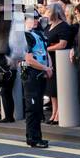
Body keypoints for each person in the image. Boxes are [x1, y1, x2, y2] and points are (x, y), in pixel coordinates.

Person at [21, 10, 51, 148]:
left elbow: (45, 53)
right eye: (32, 18)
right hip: (31, 75)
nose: (35, 21)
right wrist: (46, 69)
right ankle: (33, 138)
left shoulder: (38, 34)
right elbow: (29, 59)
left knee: (38, 107)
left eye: (36, 18)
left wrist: (49, 67)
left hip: (40, 74)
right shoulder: (25, 36)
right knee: (32, 108)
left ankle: (38, 137)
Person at [44, 2, 73, 124]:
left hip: (59, 61)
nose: (46, 14)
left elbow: (63, 44)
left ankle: (59, 114)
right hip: (49, 61)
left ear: (54, 13)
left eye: (48, 11)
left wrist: (46, 49)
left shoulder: (63, 26)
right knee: (51, 90)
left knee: (58, 89)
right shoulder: (48, 26)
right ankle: (54, 113)